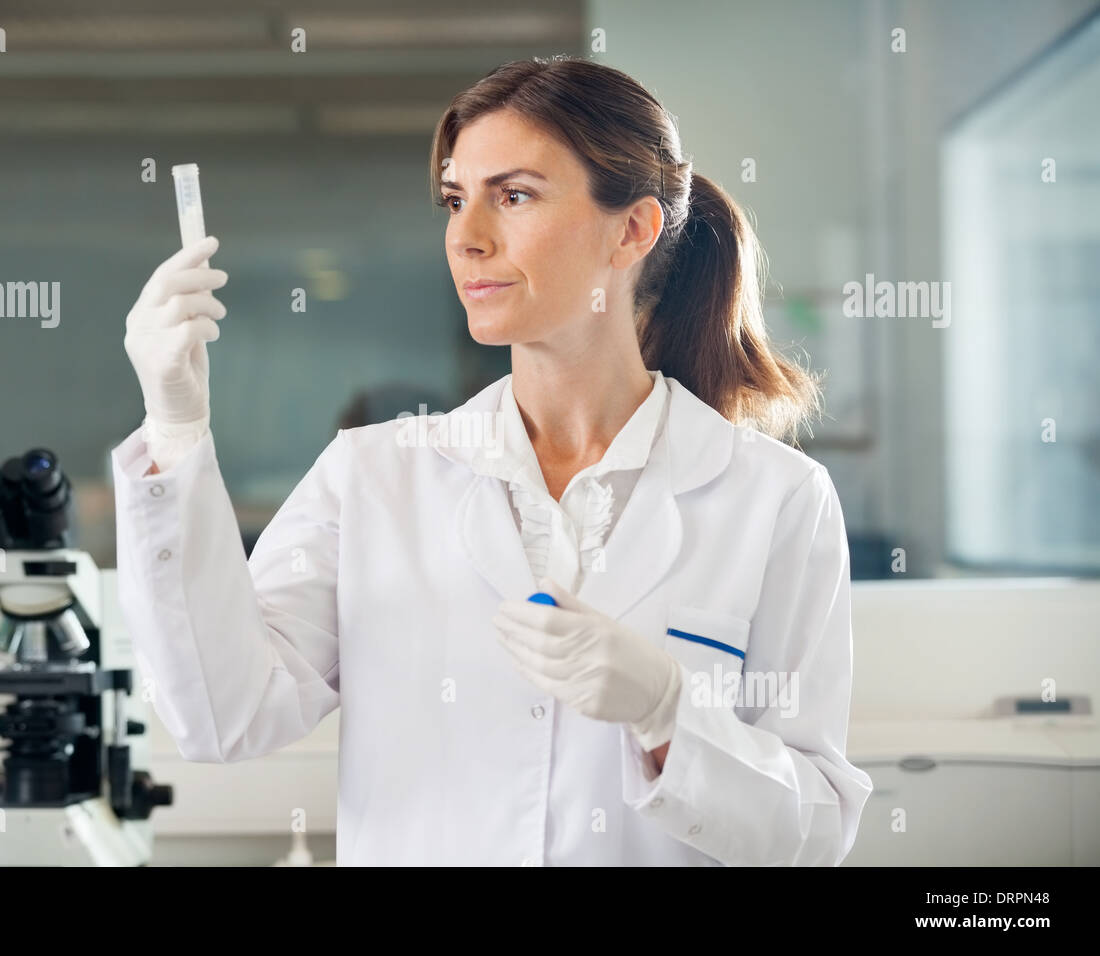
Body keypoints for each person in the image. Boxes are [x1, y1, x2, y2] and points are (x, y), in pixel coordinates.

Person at [111, 55, 872, 866]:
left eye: (514, 196)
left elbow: (815, 831)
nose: (467, 238)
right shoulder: (372, 478)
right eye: (454, 199)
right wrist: (174, 426)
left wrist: (666, 714)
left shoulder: (775, 498)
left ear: (634, 230)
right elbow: (221, 715)